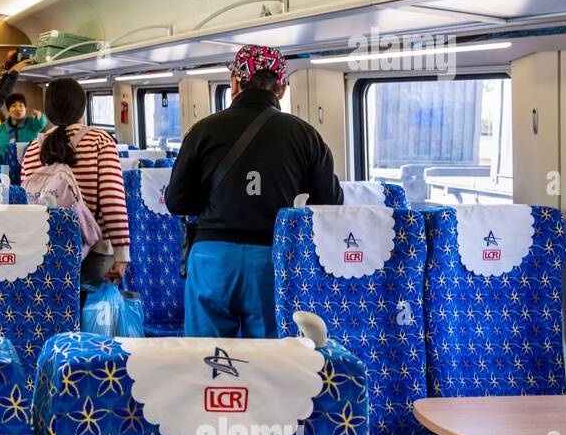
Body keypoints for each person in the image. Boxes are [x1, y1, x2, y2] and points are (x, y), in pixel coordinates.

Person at [164, 45, 343, 338]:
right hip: (273, 259)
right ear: (283, 88)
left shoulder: (202, 131)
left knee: (206, 359)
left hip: (212, 258)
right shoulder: (305, 135)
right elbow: (330, 204)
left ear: (235, 82)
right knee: (268, 361)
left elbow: (176, 202)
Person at [21, 78, 129, 287]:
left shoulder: (33, 148)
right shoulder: (100, 141)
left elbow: (26, 201)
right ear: (82, 107)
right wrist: (121, 252)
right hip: (94, 251)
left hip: (46, 249)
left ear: (48, 110)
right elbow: (112, 200)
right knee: (92, 317)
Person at [0, 92, 47, 165]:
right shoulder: (0, 129)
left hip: (28, 169)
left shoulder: (32, 124)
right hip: (5, 171)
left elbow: (40, 123)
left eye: (21, 105)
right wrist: (4, 155)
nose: (18, 109)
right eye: (13, 106)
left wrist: (40, 117)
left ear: (26, 108)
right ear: (8, 110)